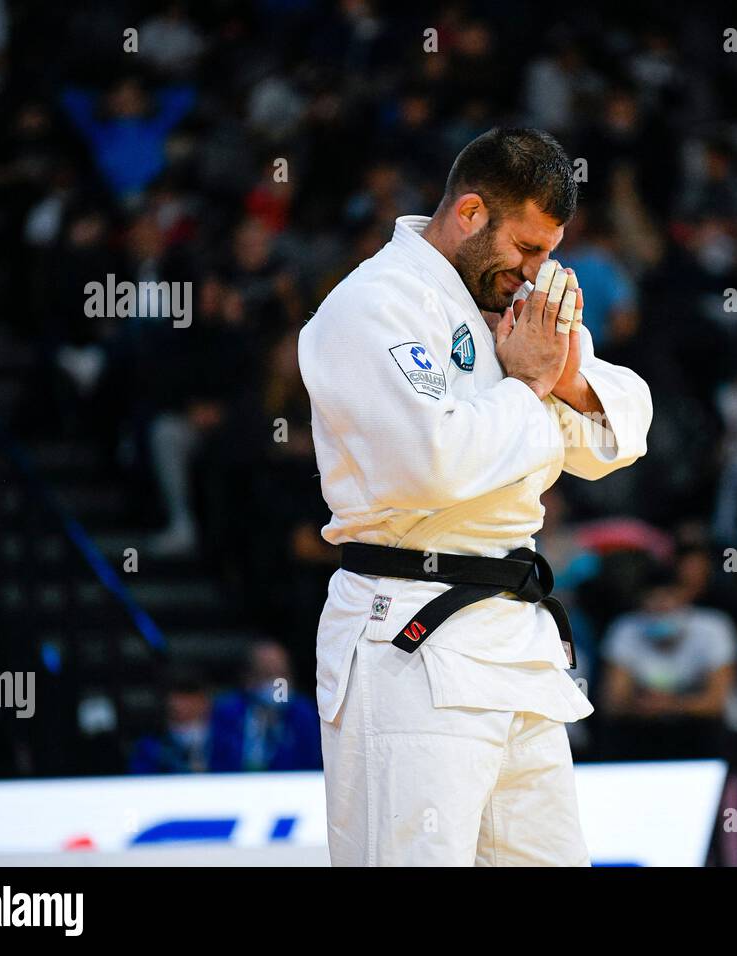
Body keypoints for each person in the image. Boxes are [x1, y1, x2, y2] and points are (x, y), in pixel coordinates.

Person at [299, 128, 653, 866]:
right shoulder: (372, 306)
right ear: (468, 213)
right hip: (410, 633)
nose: (536, 270)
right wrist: (528, 384)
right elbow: (431, 464)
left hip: (515, 644)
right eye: (526, 249)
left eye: (549, 252)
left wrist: (560, 378)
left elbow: (619, 431)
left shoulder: (506, 306)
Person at [599, 564, 737, 760]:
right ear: (641, 601)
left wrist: (670, 704)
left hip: (705, 731)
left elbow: (716, 702)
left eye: (669, 597)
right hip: (646, 729)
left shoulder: (714, 627)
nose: (661, 605)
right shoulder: (625, 629)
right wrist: (645, 706)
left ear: (685, 597)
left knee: (707, 731)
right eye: (653, 598)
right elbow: (613, 703)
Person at [209, 641, 321, 772]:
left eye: (282, 674)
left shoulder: (304, 713)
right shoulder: (226, 711)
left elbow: (312, 764)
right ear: (249, 677)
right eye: (268, 674)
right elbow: (217, 761)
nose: (277, 682)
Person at [129, 669, 213, 774]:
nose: (184, 704)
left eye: (190, 696)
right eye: (179, 697)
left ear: (204, 699)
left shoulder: (226, 737)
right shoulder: (151, 744)